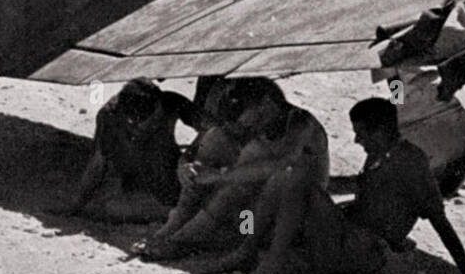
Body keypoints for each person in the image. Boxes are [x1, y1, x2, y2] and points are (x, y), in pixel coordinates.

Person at [226, 97, 465, 274]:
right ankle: (245, 252)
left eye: (361, 134)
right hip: (348, 238)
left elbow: (440, 220)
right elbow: (363, 190)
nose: (357, 141)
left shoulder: (411, 163)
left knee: (294, 178)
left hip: (361, 252)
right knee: (287, 180)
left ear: (381, 132)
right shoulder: (380, 154)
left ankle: (268, 272)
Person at [135, 79, 328, 261]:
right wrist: (187, 168)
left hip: (289, 216)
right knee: (216, 139)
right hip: (250, 208)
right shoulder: (260, 122)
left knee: (237, 189)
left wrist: (219, 176)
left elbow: (277, 167)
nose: (248, 128)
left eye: (249, 122)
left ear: (266, 104)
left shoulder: (301, 124)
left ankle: (189, 240)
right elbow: (203, 145)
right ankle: (175, 227)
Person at [69, 78, 200, 222]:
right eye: (135, 126)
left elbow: (213, 128)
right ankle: (179, 212)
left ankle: (180, 211)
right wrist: (76, 206)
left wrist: (187, 157)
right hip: (137, 187)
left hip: (172, 177)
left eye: (151, 121)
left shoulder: (171, 102)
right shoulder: (109, 115)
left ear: (158, 105)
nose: (141, 129)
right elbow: (97, 164)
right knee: (112, 208)